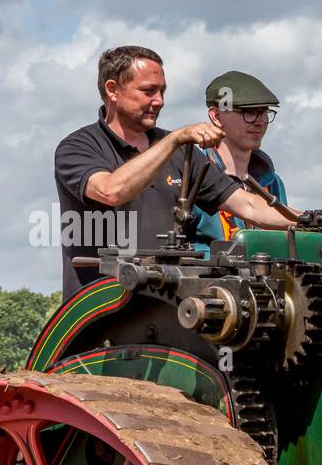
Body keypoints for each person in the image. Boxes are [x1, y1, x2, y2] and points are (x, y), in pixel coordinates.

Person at [54, 46, 308, 298]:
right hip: (100, 305)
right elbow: (111, 191)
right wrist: (176, 138)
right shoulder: (78, 147)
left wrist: (315, 222)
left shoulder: (179, 152)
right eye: (148, 91)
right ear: (112, 90)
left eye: (162, 91)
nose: (160, 101)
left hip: (162, 303)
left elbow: (249, 206)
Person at [193, 71, 288, 244]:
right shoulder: (194, 176)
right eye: (249, 112)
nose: (260, 122)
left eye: (264, 113)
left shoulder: (272, 182)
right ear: (216, 116)